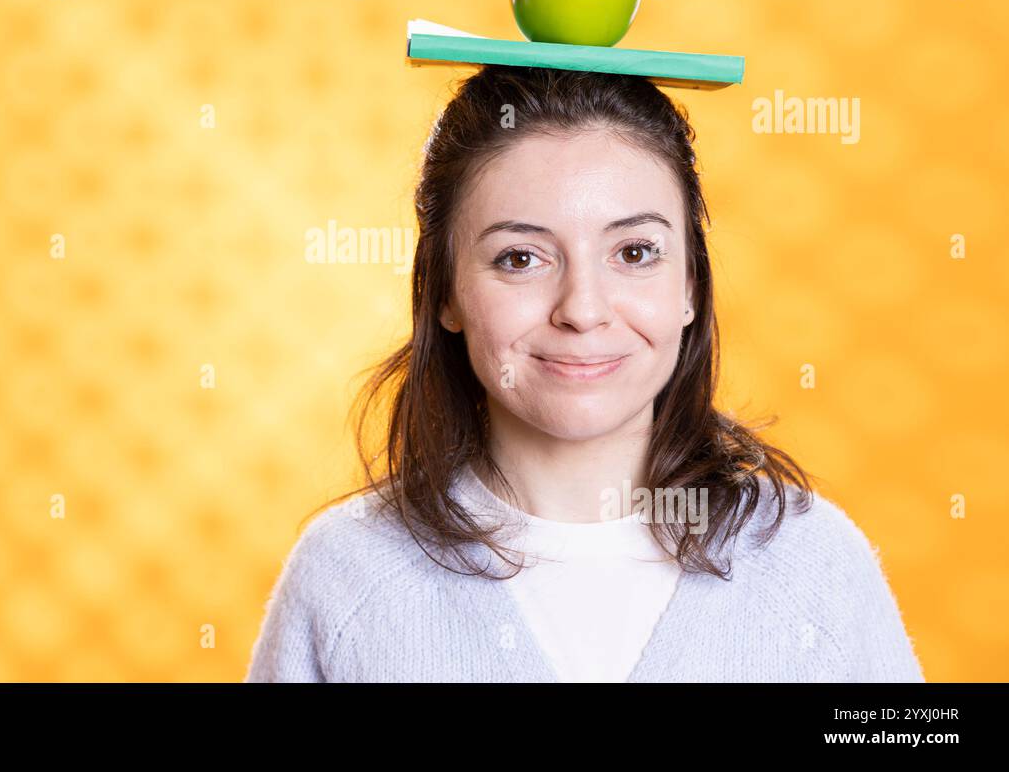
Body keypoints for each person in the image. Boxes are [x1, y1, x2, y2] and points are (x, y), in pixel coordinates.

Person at [245, 65, 924, 682]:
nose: (583, 309)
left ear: (690, 283)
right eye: (519, 258)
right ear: (445, 293)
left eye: (633, 251)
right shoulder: (346, 580)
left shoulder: (815, 568)